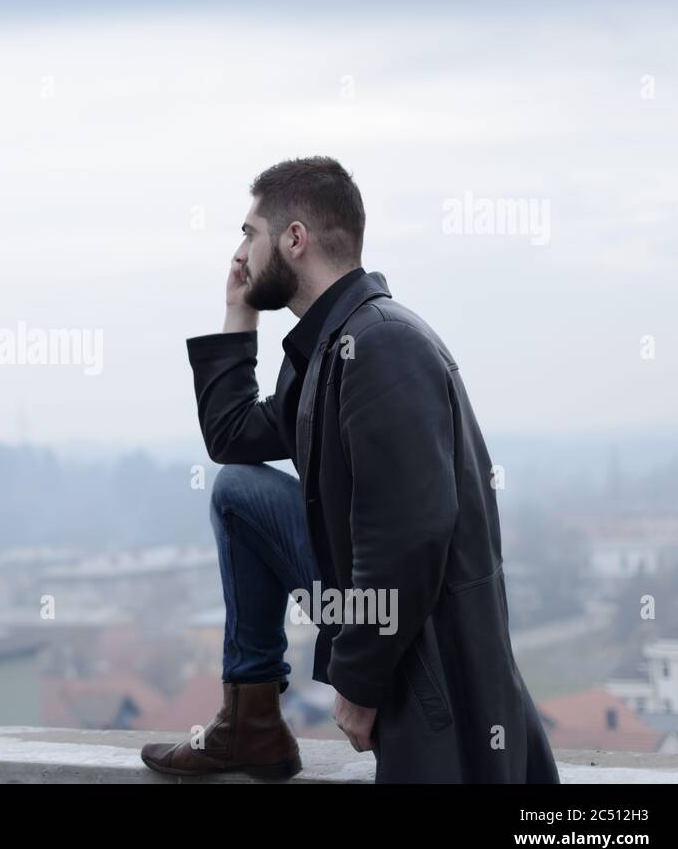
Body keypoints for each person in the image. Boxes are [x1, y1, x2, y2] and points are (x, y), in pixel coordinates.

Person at [140, 157, 559, 783]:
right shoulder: (326, 349)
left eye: (250, 233)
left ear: (295, 239)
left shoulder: (381, 345)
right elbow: (234, 438)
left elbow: (409, 537)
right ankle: (252, 721)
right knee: (240, 493)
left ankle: (263, 719)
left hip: (421, 639)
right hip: (365, 590)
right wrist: (239, 311)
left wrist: (360, 684)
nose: (240, 253)